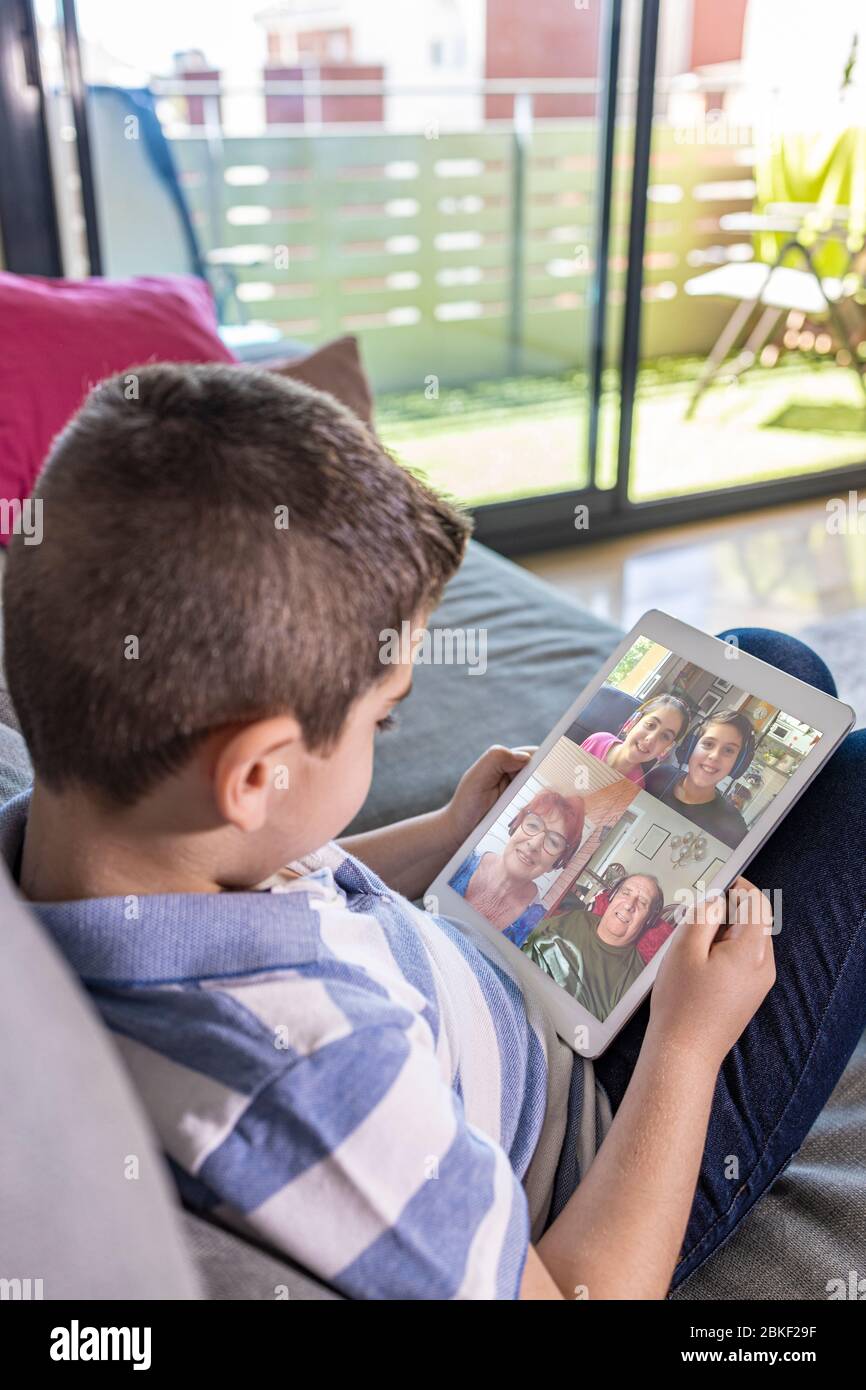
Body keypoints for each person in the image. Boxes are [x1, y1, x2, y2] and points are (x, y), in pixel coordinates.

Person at [2, 363, 862, 1302]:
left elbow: (293, 883)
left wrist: (455, 831)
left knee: (771, 666)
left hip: (481, 964)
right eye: (385, 720)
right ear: (254, 775)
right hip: (589, 1137)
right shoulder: (309, 1079)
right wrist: (688, 1044)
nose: (385, 732)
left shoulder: (76, 855)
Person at [521, 873, 663, 1021]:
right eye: (625, 893)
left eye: (642, 902)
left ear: (649, 920)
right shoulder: (577, 917)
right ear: (613, 896)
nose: (629, 905)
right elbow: (526, 940)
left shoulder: (635, 981)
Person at [449, 789, 585, 942]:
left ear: (556, 863)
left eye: (553, 842)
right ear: (516, 826)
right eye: (533, 825)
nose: (534, 844)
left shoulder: (538, 929)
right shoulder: (456, 861)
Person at [644, 709, 755, 849]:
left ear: (738, 763)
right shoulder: (659, 776)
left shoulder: (734, 828)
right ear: (691, 746)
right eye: (708, 744)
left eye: (728, 750)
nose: (714, 756)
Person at [580, 694, 691, 787]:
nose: (651, 739)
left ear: (666, 748)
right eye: (650, 725)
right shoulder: (597, 740)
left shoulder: (636, 786)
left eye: (665, 736)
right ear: (634, 721)